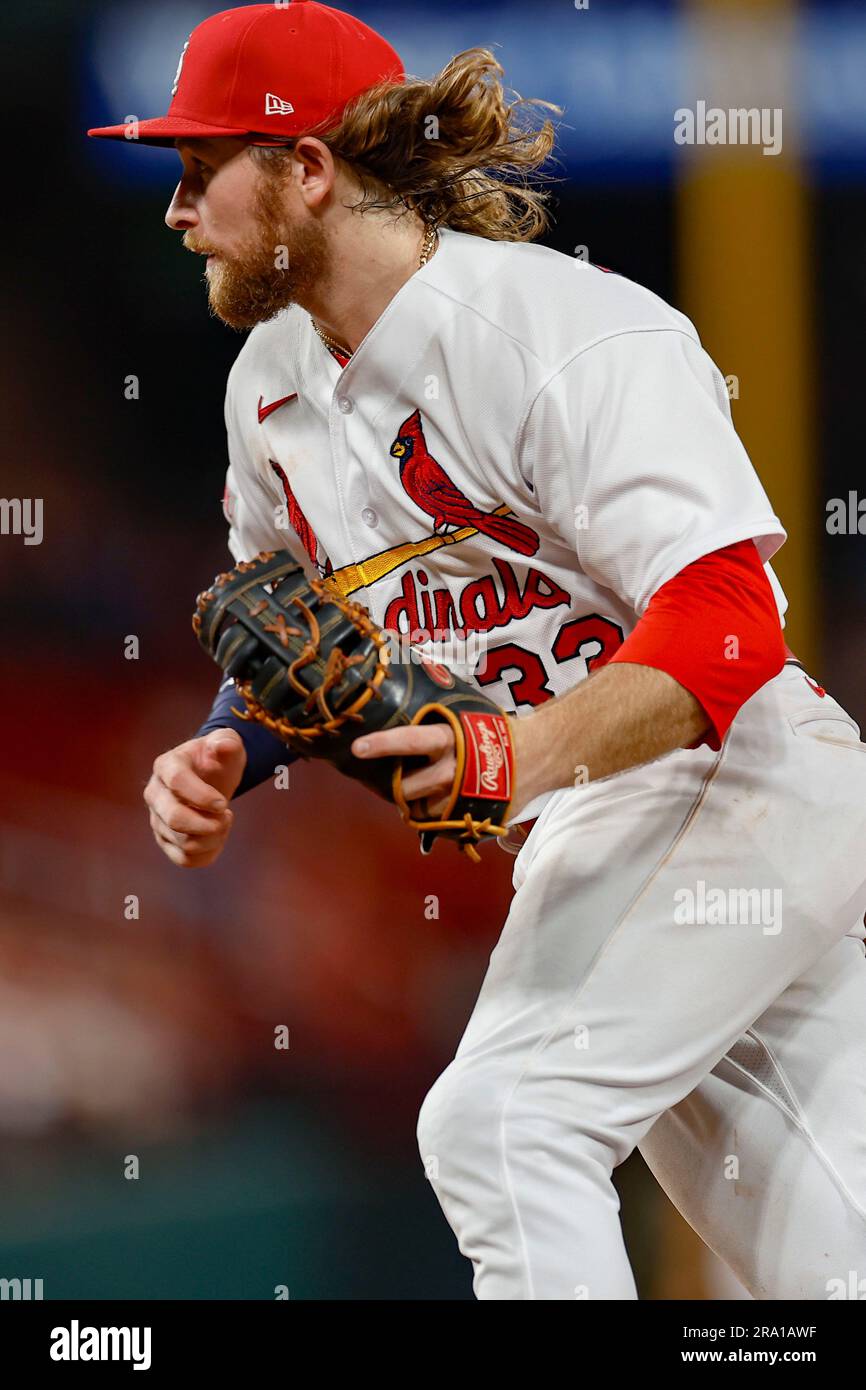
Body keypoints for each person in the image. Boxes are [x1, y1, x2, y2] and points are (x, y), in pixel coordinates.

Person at [90, 1, 866, 1299]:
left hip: (739, 786)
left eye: (197, 168)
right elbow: (290, 625)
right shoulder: (267, 387)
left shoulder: (562, 333)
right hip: (602, 830)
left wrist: (525, 748)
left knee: (501, 1126)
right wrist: (230, 744)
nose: (175, 212)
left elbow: (729, 619)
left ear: (308, 168)